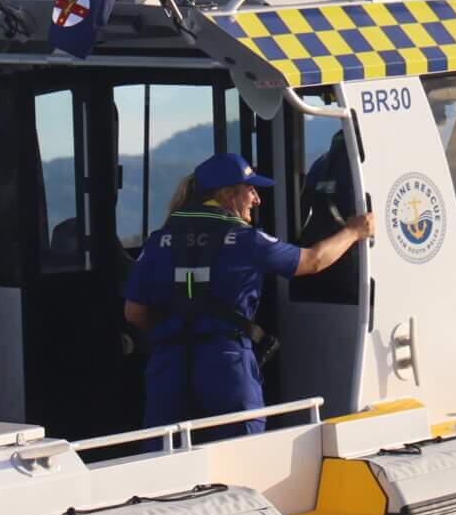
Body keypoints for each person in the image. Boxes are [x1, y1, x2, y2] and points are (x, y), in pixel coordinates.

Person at [123, 152, 373, 438]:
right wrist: (354, 231)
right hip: (226, 365)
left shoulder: (157, 242)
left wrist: (175, 332)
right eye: (251, 190)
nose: (257, 199)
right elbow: (313, 260)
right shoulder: (246, 240)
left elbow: (134, 312)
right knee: (242, 453)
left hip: (168, 367)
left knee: (167, 455)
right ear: (227, 194)